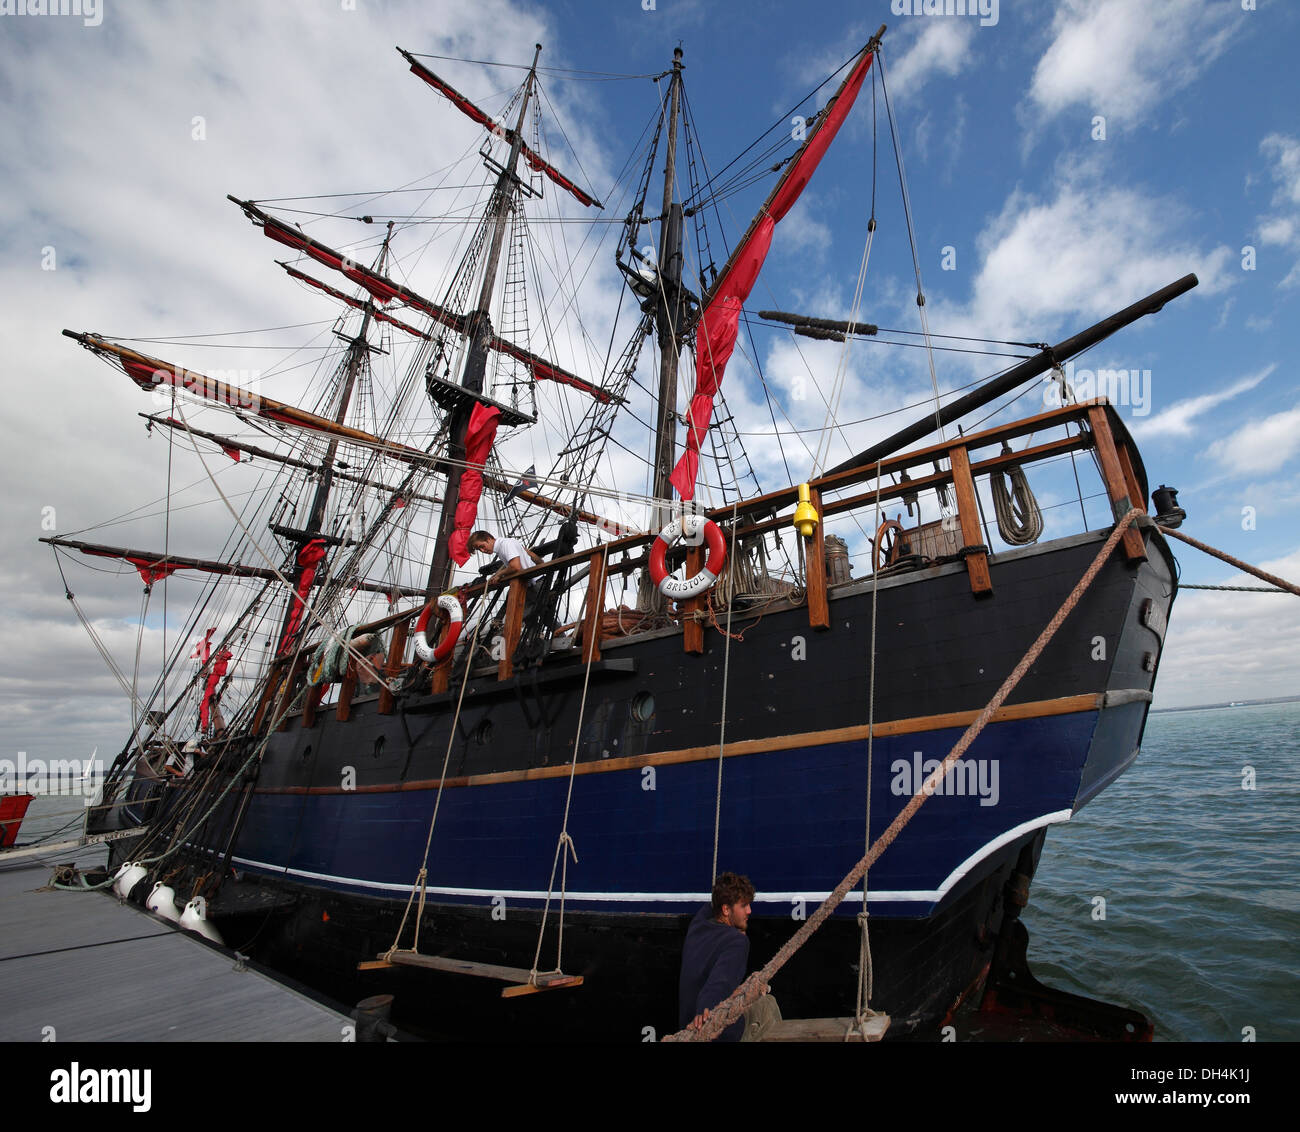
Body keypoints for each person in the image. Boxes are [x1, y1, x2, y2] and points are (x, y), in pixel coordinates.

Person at [678, 872, 782, 1042]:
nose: (749, 911)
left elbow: (709, 907)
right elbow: (720, 983)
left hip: (687, 1026)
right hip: (718, 1032)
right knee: (767, 1005)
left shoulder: (697, 925)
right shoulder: (737, 942)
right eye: (744, 906)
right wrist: (707, 1008)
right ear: (726, 909)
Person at [468, 529, 542, 587]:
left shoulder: (505, 544)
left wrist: (499, 574)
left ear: (488, 539)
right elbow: (529, 553)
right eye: (479, 549)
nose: (482, 551)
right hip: (533, 582)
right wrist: (542, 564)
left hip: (535, 583)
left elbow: (515, 567)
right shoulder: (505, 544)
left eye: (482, 546)